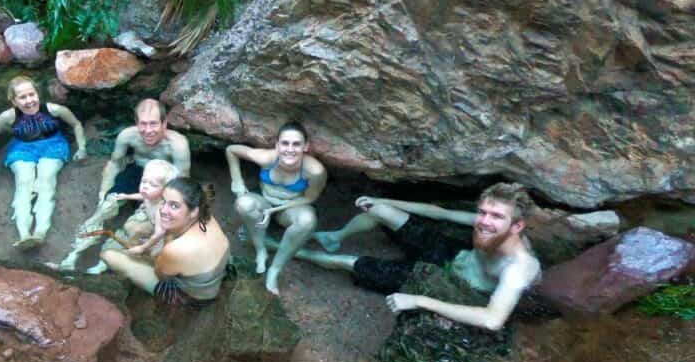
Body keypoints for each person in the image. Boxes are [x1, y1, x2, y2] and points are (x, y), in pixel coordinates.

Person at [294, 182, 541, 331]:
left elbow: (492, 319)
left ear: (517, 226)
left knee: (353, 263)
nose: (484, 222)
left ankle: (292, 251)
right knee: (379, 211)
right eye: (483, 213)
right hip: (452, 253)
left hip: (447, 283)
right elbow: (441, 214)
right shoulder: (485, 227)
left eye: (496, 216)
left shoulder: (519, 267)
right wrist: (382, 200)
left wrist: (419, 301)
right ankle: (337, 235)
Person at [59, 98, 190, 270]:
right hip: (136, 172)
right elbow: (114, 164)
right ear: (136, 123)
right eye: (143, 124)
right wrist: (104, 195)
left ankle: (105, 265)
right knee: (105, 209)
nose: (148, 130)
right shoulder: (128, 136)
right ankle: (73, 255)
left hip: (162, 182)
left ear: (164, 123)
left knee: (138, 226)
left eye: (153, 124)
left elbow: (181, 183)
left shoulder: (177, 146)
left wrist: (161, 205)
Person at [226, 121, 327, 295]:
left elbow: (310, 197)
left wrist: (272, 211)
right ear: (277, 145)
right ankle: (261, 250)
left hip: (289, 209)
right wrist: (237, 181)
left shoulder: (314, 171)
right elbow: (231, 150)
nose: (290, 149)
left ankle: (275, 269)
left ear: (306, 147)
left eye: (296, 144)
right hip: (263, 200)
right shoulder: (266, 158)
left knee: (307, 221)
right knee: (243, 203)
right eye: (285, 143)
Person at [0, 76, 87, 248]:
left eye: (31, 95)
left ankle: (40, 231)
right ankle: (24, 233)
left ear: (37, 94)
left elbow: (76, 124)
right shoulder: (7, 117)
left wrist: (82, 147)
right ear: (14, 101)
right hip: (22, 148)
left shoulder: (55, 109)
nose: (29, 101)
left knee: (46, 180)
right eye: (22, 97)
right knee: (24, 182)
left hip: (53, 145)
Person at [101, 177, 230, 305]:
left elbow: (161, 275)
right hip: (213, 278)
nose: (163, 210)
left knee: (108, 255)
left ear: (194, 211)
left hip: (192, 297)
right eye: (163, 201)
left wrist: (163, 243)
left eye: (174, 206)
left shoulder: (175, 249)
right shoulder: (208, 218)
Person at [61, 159, 179, 275]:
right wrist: (126, 196)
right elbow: (141, 196)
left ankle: (108, 266)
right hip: (137, 224)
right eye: (144, 181)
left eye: (152, 184)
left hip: (149, 235)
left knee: (132, 252)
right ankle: (102, 263)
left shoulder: (160, 210)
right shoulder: (149, 195)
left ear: (165, 191)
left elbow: (159, 233)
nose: (145, 187)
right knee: (115, 243)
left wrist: (144, 247)